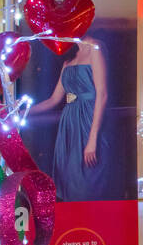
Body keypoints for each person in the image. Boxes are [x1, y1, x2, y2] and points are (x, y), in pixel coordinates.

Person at [27, 38, 112, 202]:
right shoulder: (69, 57)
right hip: (69, 125)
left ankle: (92, 223)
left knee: (87, 183)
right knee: (68, 182)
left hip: (89, 121)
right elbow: (53, 100)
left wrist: (92, 140)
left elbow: (102, 94)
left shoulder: (94, 47)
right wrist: (23, 112)